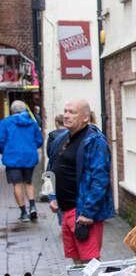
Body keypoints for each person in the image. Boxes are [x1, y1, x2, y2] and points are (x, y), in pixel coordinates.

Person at [48, 98, 114, 261]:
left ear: (85, 117)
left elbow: (100, 179)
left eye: (72, 112)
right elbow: (50, 168)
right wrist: (51, 196)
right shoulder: (60, 138)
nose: (67, 115)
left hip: (83, 214)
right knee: (75, 263)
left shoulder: (95, 142)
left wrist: (88, 212)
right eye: (65, 111)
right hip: (64, 211)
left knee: (89, 263)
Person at [0, 99, 43, 221]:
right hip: (29, 156)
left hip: (12, 157)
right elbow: (39, 140)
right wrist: (30, 147)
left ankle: (24, 213)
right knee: (28, 182)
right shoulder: (33, 123)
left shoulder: (5, 123)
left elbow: (0, 140)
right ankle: (33, 207)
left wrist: (6, 150)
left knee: (17, 184)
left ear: (12, 111)